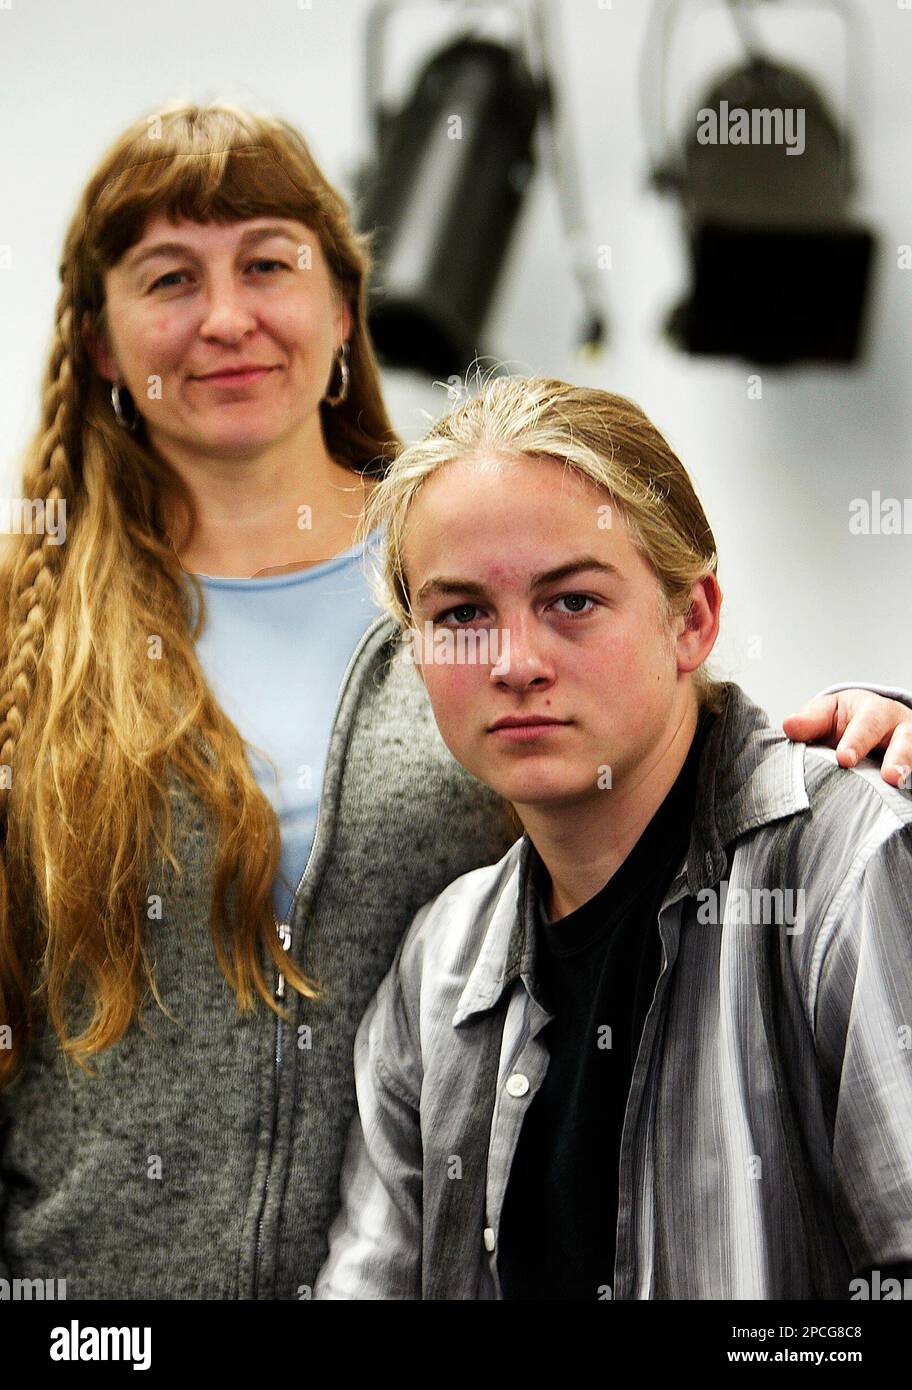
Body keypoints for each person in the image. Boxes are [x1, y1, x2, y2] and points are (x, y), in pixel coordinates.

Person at [0, 103, 907, 1301]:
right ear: (101, 342)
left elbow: (667, 720)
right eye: (170, 276)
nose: (225, 318)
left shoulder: (472, 528)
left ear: (341, 313)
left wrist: (871, 724)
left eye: (268, 262)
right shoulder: (28, 632)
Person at [313, 376, 912, 1300]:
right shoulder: (441, 963)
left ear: (692, 619)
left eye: (572, 601)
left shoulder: (845, 864)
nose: (515, 663)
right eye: (461, 615)